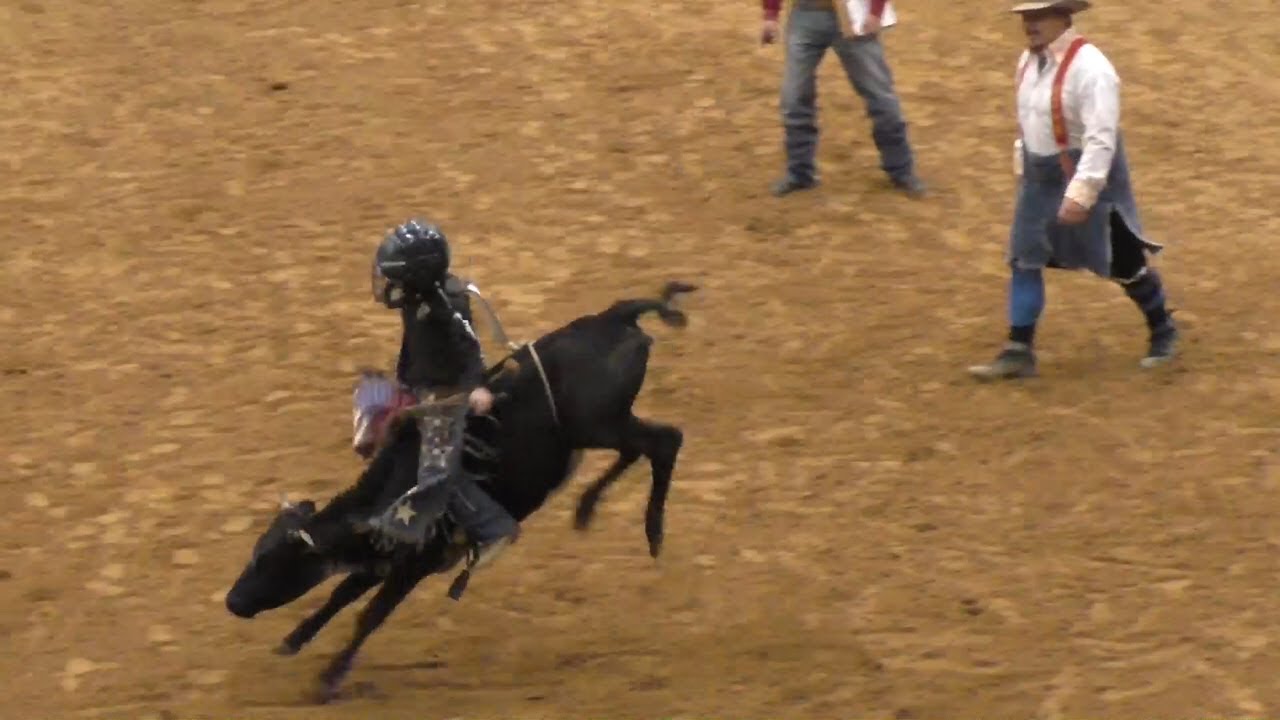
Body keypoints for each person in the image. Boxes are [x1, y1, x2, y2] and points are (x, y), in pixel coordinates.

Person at [968, 0, 1178, 380]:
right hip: (1040, 178)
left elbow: (1102, 139)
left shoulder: (1092, 69)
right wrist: (1023, 160)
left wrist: (1082, 192)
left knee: (1122, 261)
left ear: (1063, 17)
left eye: (1038, 16)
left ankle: (1163, 328)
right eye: (1025, 17)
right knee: (1024, 258)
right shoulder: (1028, 62)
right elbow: (1028, 118)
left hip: (1083, 172)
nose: (1029, 24)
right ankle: (1018, 348)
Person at [367, 218, 519, 569]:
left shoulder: (444, 304)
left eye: (395, 275)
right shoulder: (414, 297)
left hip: (446, 394)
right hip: (422, 387)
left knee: (437, 473)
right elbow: (413, 342)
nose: (388, 283)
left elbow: (468, 346)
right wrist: (404, 381)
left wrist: (477, 385)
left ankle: (491, 526)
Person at [760, 0, 926, 198]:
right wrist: (770, 14)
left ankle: (901, 170)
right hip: (804, 15)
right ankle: (800, 172)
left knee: (880, 96)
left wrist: (875, 12)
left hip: (851, 13)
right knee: (794, 97)